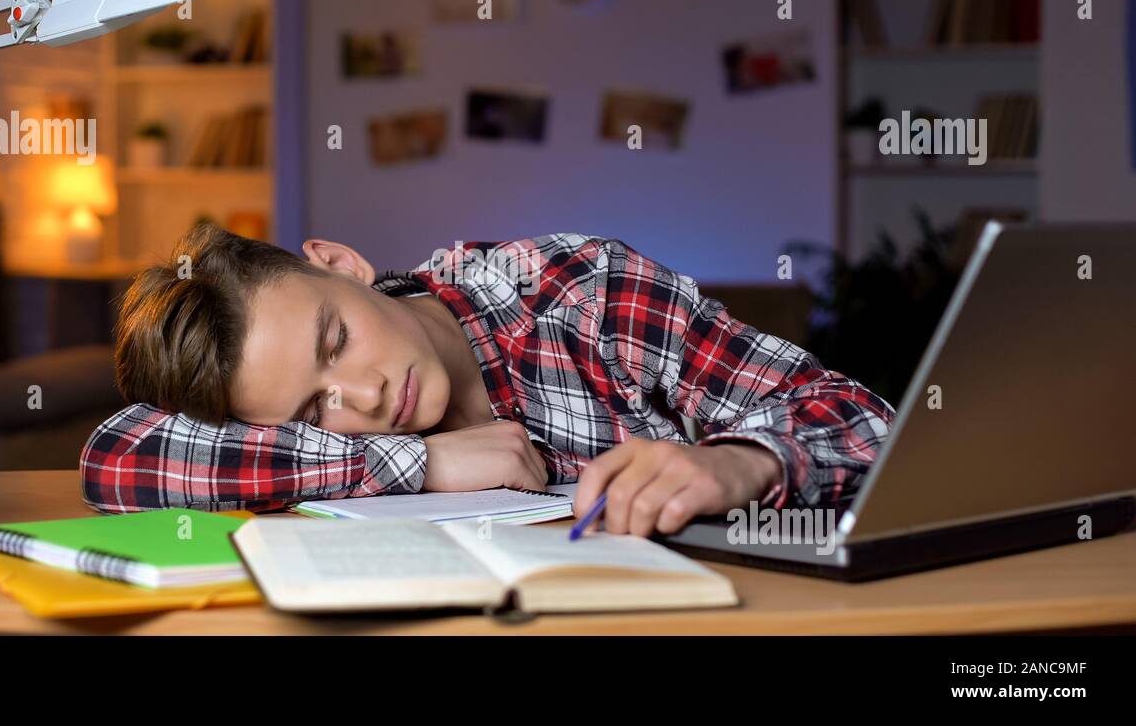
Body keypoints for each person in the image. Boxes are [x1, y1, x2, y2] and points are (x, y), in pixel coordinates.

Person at [82, 225, 895, 537]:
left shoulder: (580, 292)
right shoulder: (352, 431)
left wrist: (741, 461)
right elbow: (117, 457)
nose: (361, 398)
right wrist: (423, 465)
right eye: (311, 410)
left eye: (336, 340)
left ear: (341, 264)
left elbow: (864, 420)